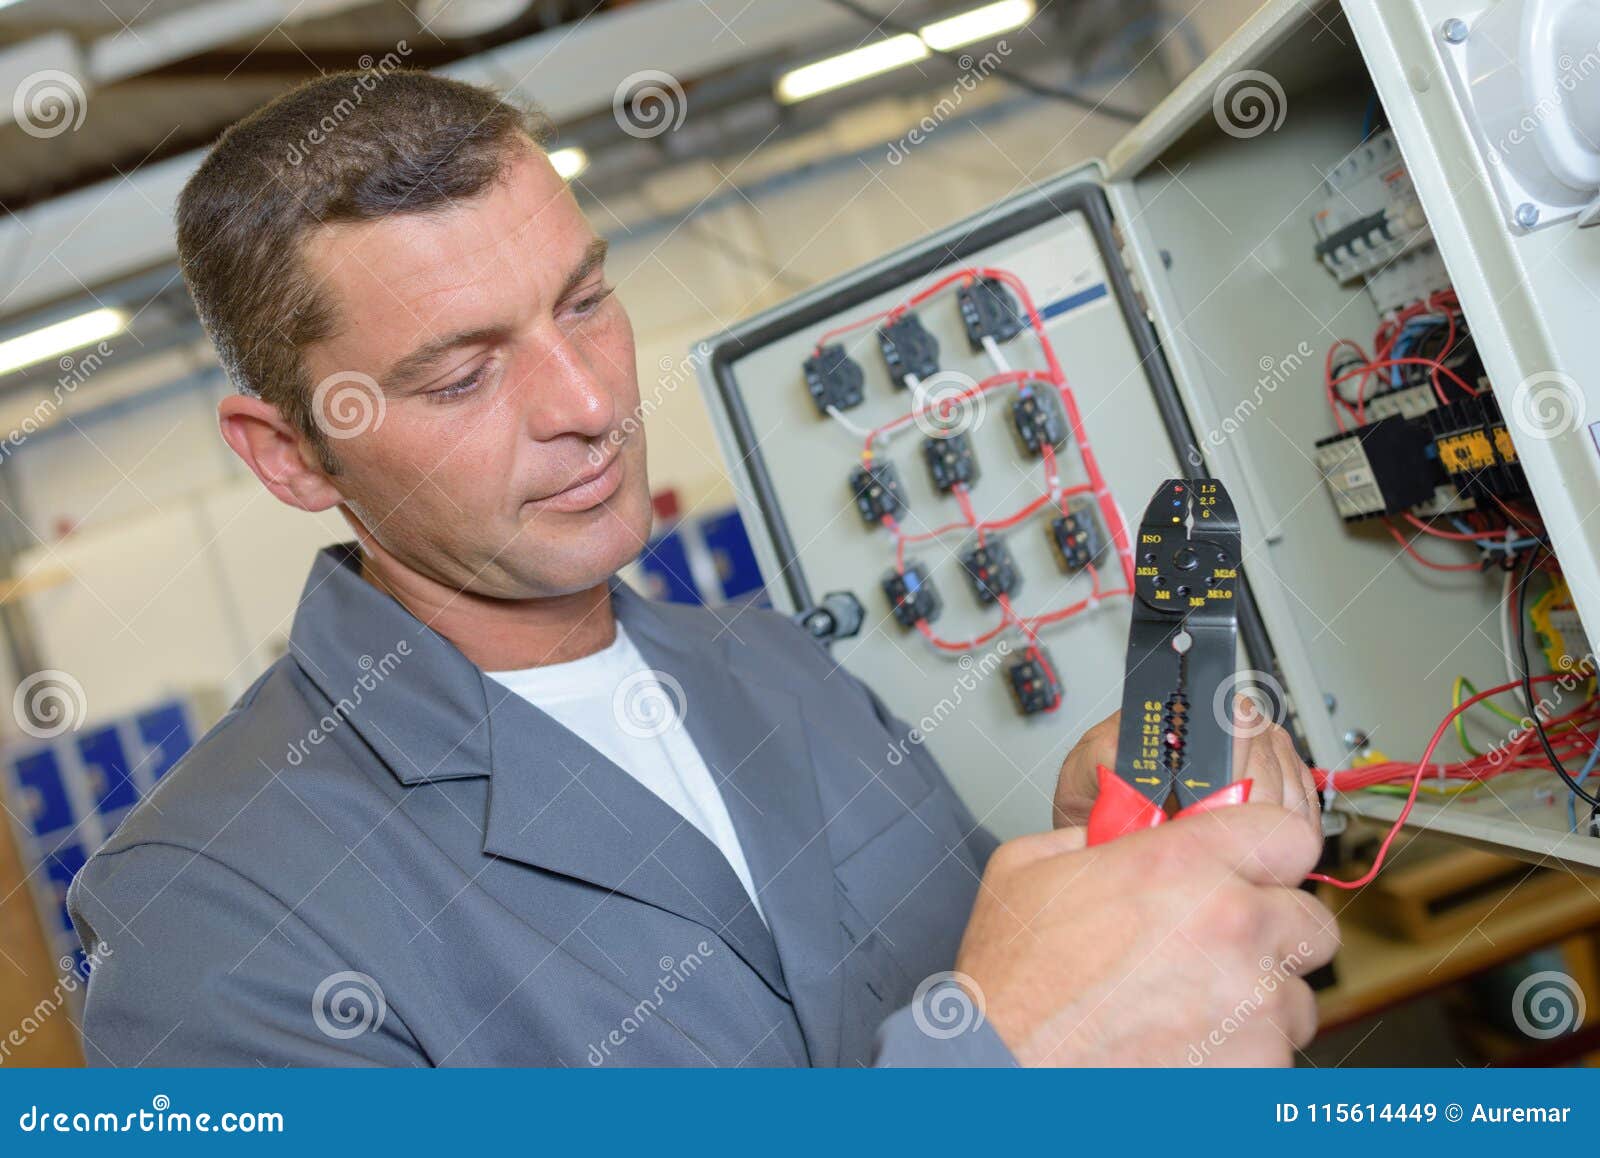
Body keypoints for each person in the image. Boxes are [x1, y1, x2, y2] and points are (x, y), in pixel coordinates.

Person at [68, 70, 1334, 1067]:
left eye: (583, 302)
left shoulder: (775, 666)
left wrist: (1108, 871)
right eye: (461, 375)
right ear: (290, 456)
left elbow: (1036, 1000)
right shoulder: (210, 918)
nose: (586, 403)